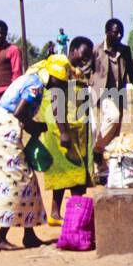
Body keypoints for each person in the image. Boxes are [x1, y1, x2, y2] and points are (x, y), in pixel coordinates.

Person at [0, 53, 76, 251]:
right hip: (4, 130)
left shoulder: (35, 79)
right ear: (54, 77)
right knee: (19, 180)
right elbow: (19, 113)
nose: (61, 86)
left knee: (28, 182)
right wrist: (35, 126)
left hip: (5, 128)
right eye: (61, 82)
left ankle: (29, 235)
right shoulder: (35, 85)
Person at [41, 36, 95, 225]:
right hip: (60, 124)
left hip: (70, 124)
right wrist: (63, 132)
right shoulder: (60, 64)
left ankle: (55, 214)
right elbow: (56, 98)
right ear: (72, 51)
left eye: (88, 57)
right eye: (82, 55)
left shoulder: (72, 69)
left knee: (64, 168)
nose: (85, 60)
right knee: (74, 167)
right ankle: (76, 215)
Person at [89, 17, 133, 182]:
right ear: (107, 32)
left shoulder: (124, 50)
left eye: (120, 33)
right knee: (113, 117)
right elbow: (86, 68)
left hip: (119, 92)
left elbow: (131, 69)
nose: (118, 36)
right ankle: (97, 149)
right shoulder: (96, 50)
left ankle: (102, 169)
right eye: (115, 32)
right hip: (101, 92)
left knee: (117, 130)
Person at [0, 20, 22, 114]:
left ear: (6, 34)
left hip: (7, 92)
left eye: (2, 33)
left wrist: (14, 94)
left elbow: (17, 73)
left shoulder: (13, 50)